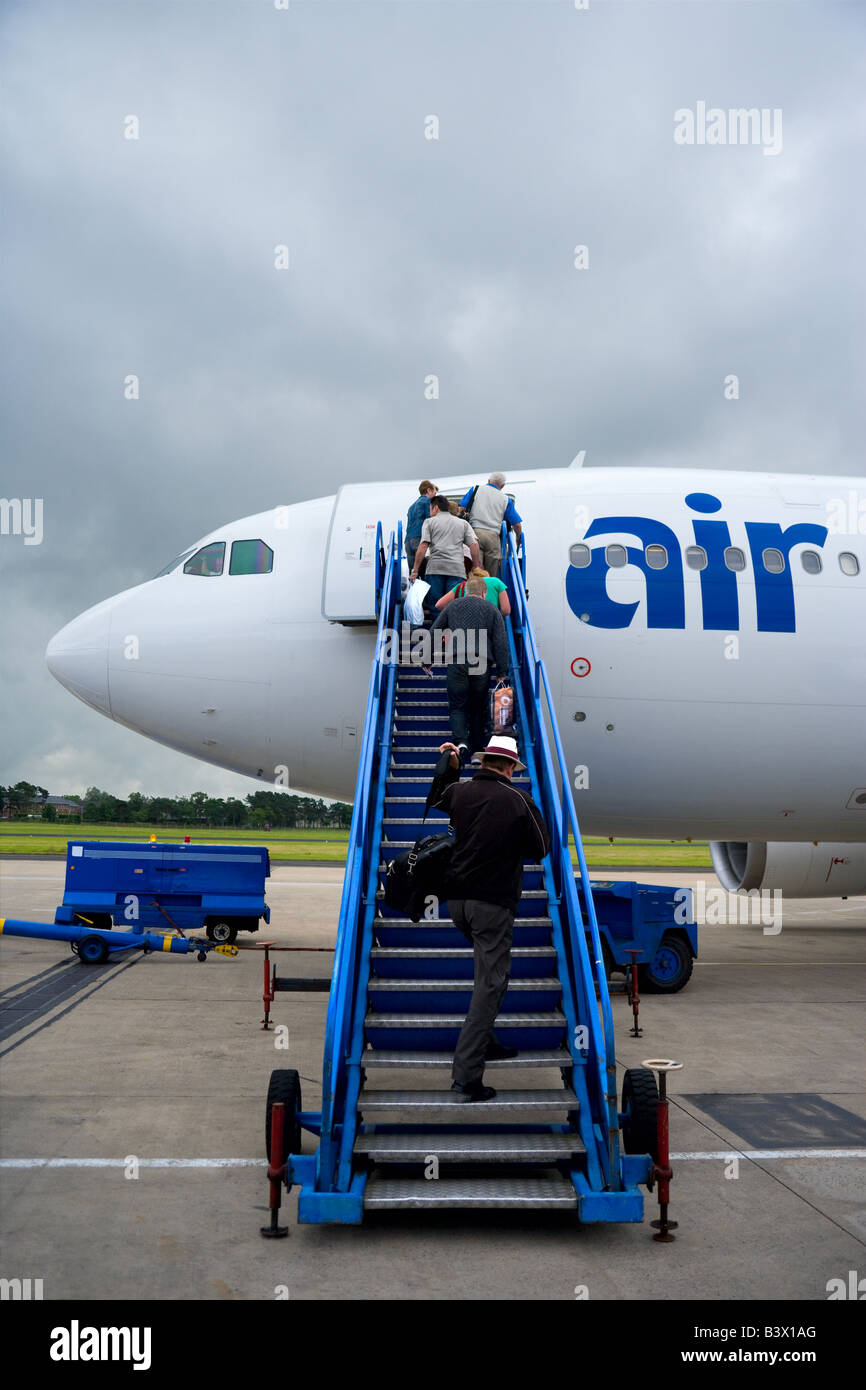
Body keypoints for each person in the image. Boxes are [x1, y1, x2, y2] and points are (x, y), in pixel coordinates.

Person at [434, 733, 551, 1102]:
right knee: (491, 984)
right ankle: (466, 1077)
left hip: (457, 905)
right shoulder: (518, 799)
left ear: (484, 762)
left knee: (490, 975)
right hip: (492, 905)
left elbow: (438, 799)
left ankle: (488, 1040)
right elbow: (542, 848)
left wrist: (449, 770)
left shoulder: (460, 792)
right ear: (509, 768)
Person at [430, 575, 509, 765]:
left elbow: (435, 630)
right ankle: (476, 750)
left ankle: (461, 743)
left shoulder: (453, 606)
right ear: (484, 593)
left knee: (457, 706)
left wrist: (426, 659)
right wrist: (502, 671)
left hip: (457, 661)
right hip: (481, 663)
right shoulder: (491, 609)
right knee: (477, 707)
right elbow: (501, 642)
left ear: (465, 591)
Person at [409, 494, 480, 611]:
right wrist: (476, 566)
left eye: (430, 508)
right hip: (457, 570)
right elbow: (474, 545)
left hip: (435, 569)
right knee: (455, 606)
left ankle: (438, 628)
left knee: (436, 605)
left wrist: (415, 570)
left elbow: (423, 546)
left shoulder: (429, 522)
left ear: (435, 507)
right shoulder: (463, 523)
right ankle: (454, 628)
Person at [458, 472, 523, 578]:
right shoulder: (506, 499)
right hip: (493, 536)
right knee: (491, 573)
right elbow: (517, 524)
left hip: (474, 534)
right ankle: (490, 592)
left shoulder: (476, 489)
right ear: (502, 486)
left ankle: (475, 591)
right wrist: (518, 538)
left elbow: (461, 509)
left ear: (488, 481)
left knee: (476, 570)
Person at [434, 566, 511, 616]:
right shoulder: (496, 582)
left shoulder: (462, 585)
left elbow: (439, 605)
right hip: (489, 629)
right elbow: (506, 610)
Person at [405, 481, 436, 577]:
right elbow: (430, 520)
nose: (435, 496)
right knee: (426, 574)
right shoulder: (428, 501)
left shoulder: (411, 506)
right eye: (435, 493)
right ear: (428, 490)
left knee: (414, 573)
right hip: (420, 539)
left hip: (408, 542)